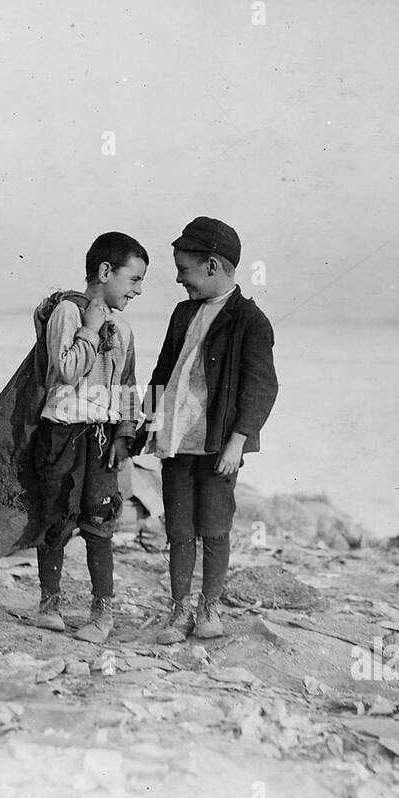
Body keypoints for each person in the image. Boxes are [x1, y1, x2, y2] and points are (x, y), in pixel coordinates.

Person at [141, 217, 278, 643]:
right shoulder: (182, 314)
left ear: (213, 265)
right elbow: (161, 372)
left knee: (215, 527)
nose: (180, 279)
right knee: (180, 529)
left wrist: (238, 441)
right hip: (176, 439)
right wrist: (142, 419)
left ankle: (210, 609)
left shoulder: (251, 321)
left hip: (219, 444)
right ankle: (180, 610)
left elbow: (263, 386)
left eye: (185, 270)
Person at [29, 232, 147, 643]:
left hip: (100, 439)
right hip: (61, 431)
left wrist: (124, 435)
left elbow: (128, 387)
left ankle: (102, 612)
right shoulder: (67, 312)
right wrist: (91, 329)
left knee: (100, 520)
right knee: (55, 517)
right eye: (133, 280)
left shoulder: (125, 329)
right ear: (104, 271)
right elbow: (66, 370)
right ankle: (50, 602)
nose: (137, 291)